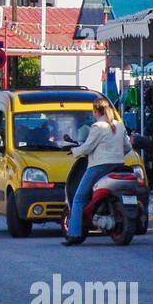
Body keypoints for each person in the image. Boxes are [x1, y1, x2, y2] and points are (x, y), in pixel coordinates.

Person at [64, 98, 132, 246]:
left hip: (99, 166)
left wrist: (74, 151)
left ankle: (74, 234)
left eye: (93, 111)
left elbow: (87, 147)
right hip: (117, 165)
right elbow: (127, 147)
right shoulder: (119, 125)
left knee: (78, 199)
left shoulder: (97, 126)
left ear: (96, 111)